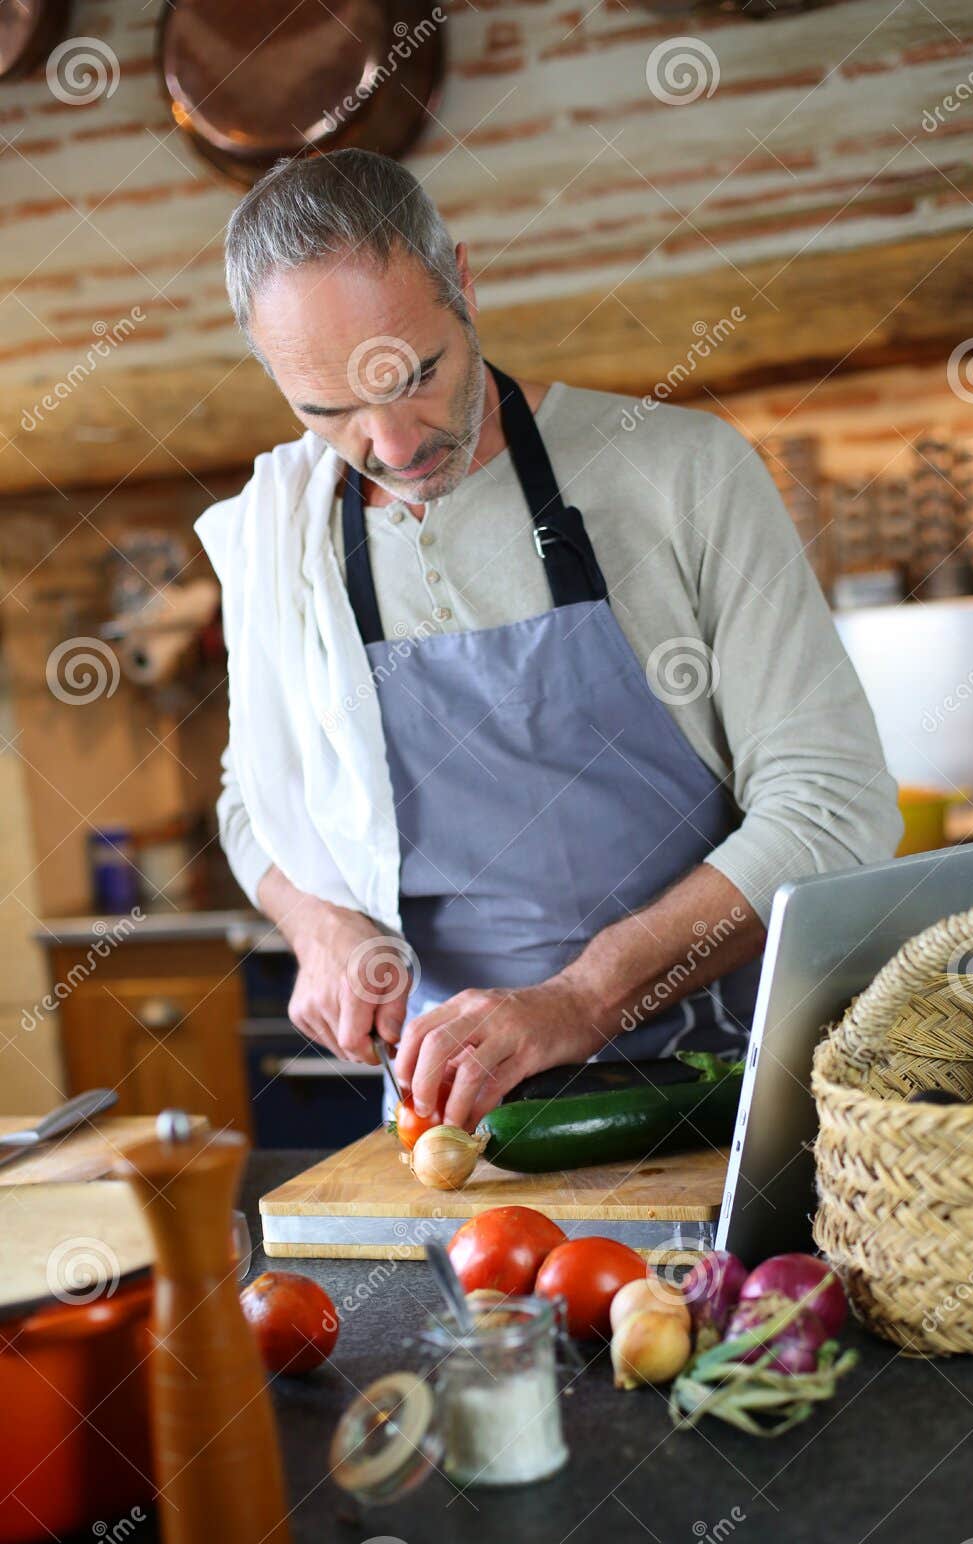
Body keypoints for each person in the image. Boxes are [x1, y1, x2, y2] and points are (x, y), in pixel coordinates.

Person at [195, 149, 901, 1132]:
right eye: (332, 410)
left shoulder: (678, 475)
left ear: (464, 284)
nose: (394, 446)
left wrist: (580, 999)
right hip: (463, 1126)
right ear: (274, 379)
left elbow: (833, 807)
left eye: (416, 375)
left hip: (745, 1090)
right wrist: (319, 928)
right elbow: (250, 800)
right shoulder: (279, 540)